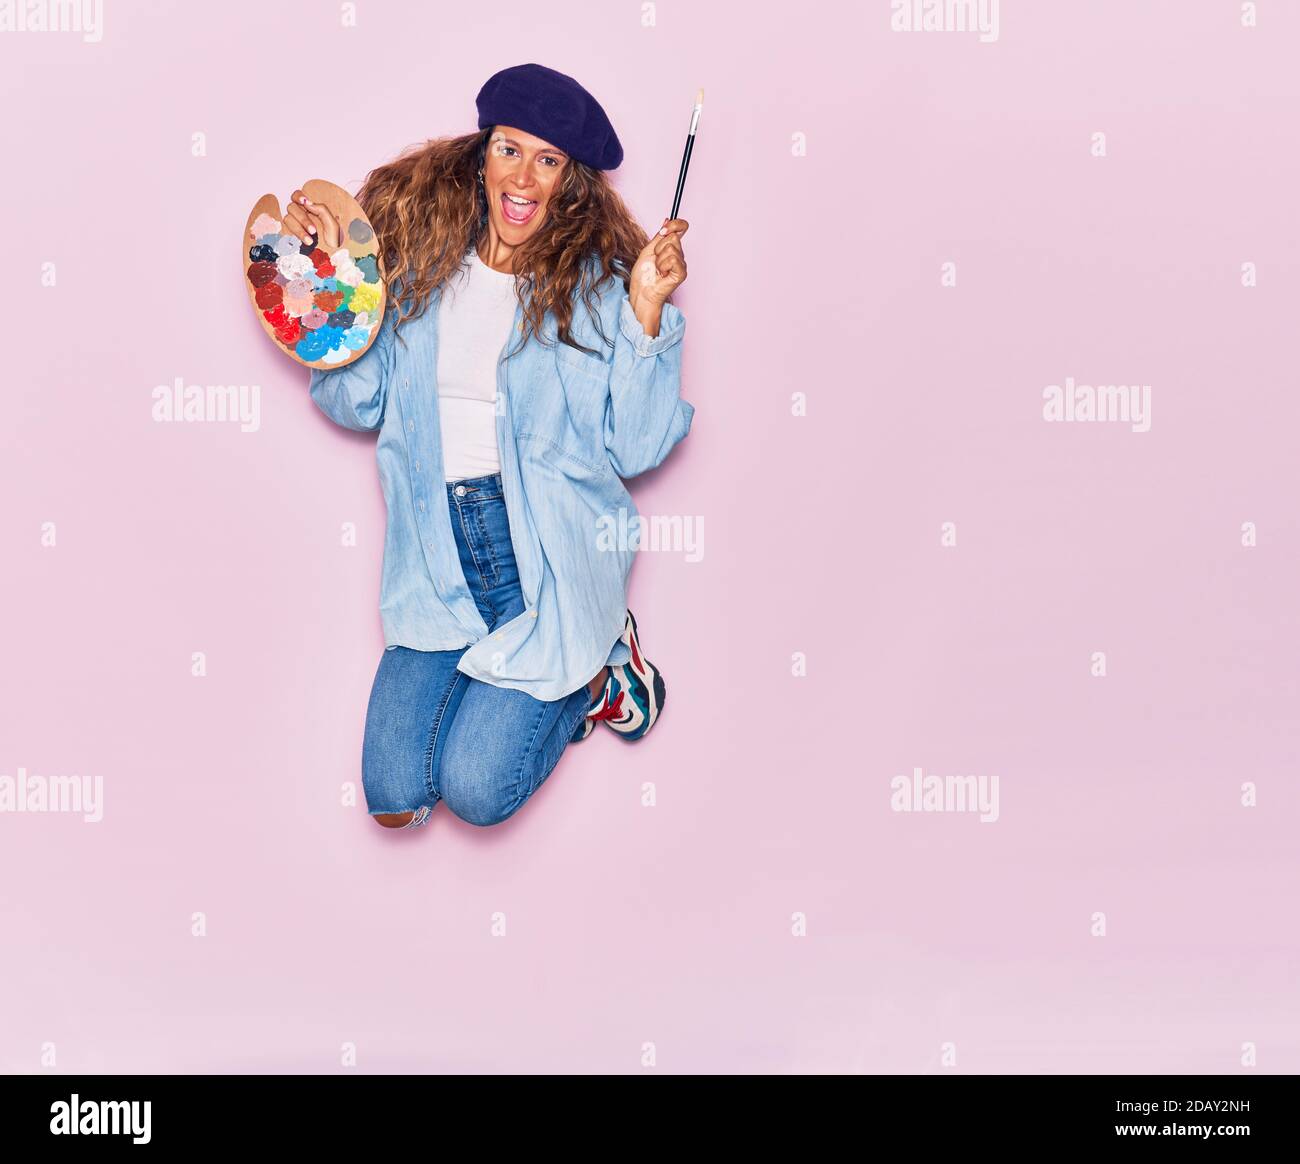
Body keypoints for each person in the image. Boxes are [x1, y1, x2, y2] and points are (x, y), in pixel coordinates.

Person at [284, 63, 694, 831]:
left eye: (548, 161)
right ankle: (512, 677)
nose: (524, 178)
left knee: (476, 791)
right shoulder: (419, 270)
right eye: (510, 149)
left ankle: (604, 669)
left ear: (570, 181)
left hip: (548, 561)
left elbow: (636, 448)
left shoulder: (600, 286)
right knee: (395, 798)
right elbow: (354, 401)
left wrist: (645, 308)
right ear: (481, 154)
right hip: (436, 565)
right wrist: (333, 277)